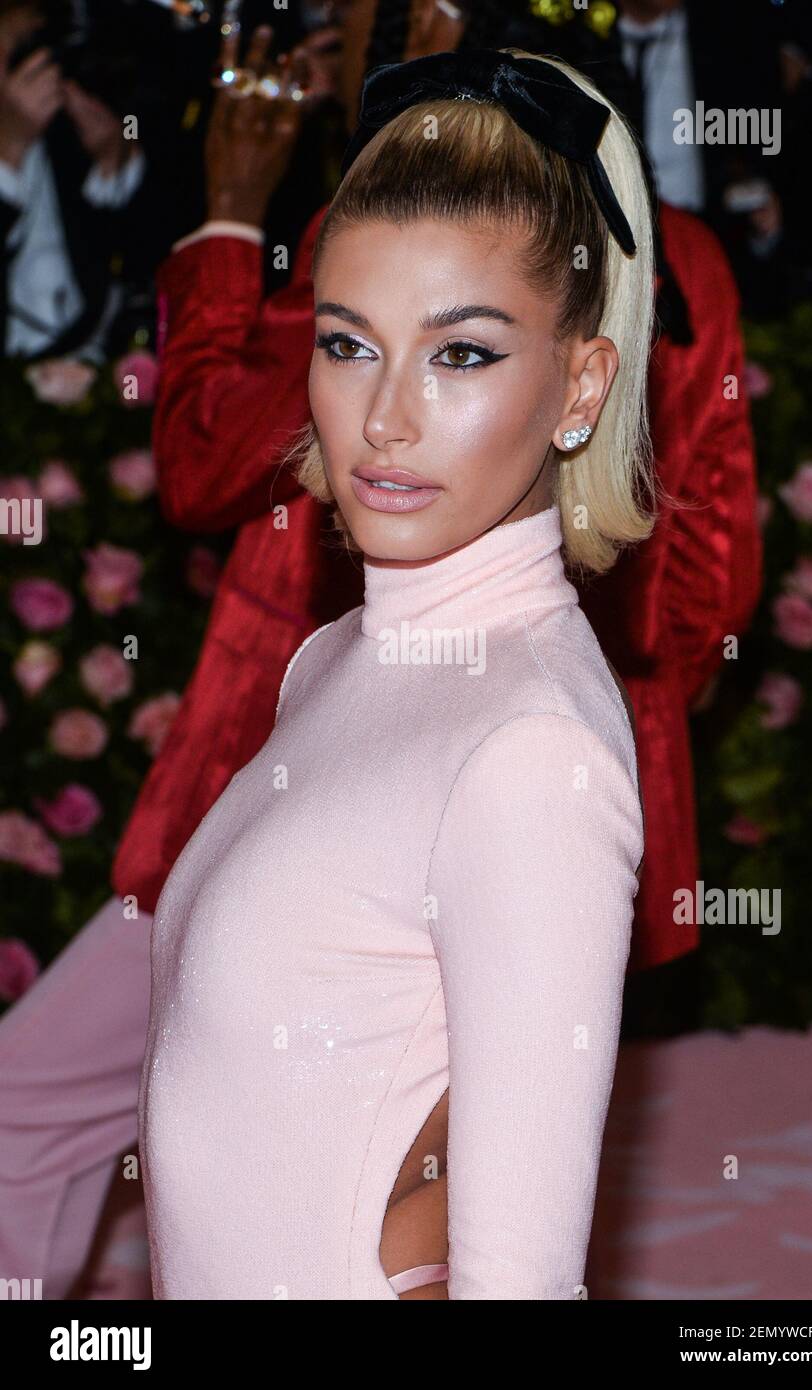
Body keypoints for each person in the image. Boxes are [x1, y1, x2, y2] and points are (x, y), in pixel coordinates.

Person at [137, 45, 650, 1301]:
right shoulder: (336, 656)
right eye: (349, 344)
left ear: (582, 384)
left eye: (462, 353)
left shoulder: (531, 754)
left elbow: (519, 1283)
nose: (385, 419)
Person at [0, 0, 145, 358]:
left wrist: (113, 157)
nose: (23, 65)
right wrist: (9, 152)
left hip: (100, 356)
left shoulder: (60, 114)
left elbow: (136, 241)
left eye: (29, 48)